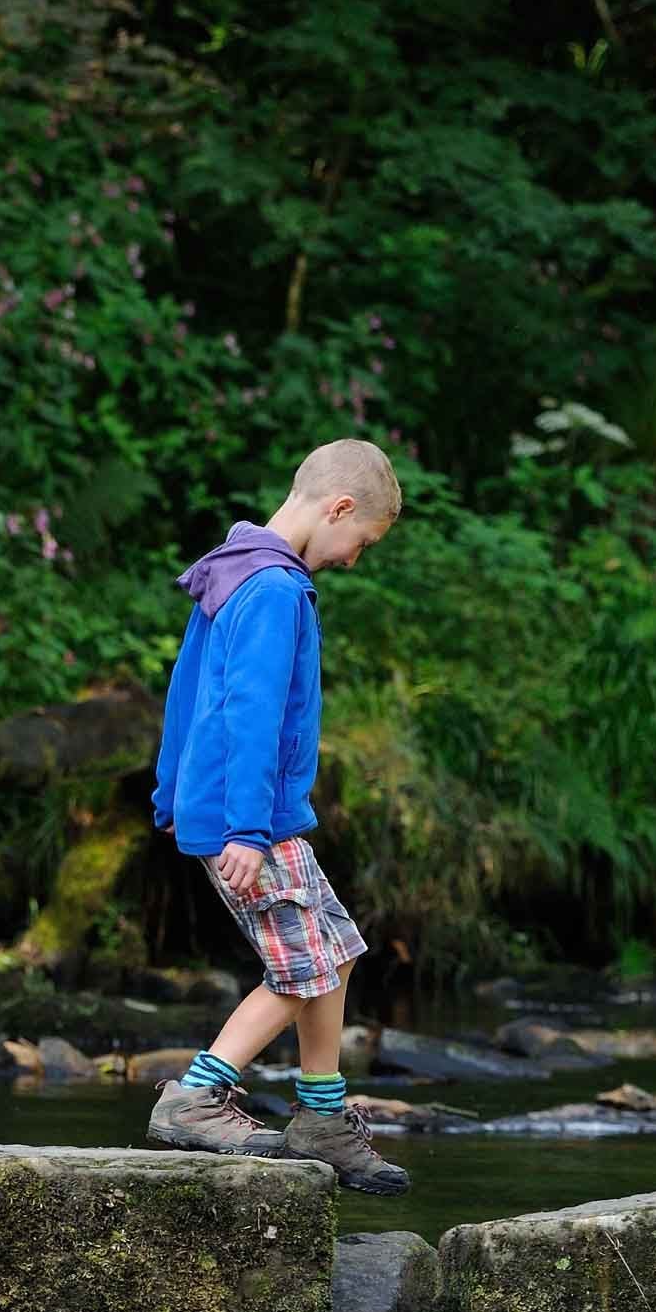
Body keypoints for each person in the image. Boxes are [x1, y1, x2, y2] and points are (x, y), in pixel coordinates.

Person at [142, 438, 409, 1195]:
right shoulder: (274, 590)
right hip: (249, 817)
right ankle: (196, 1096)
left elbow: (185, 691)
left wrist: (170, 791)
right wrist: (247, 832)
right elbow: (250, 716)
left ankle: (320, 1115)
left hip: (244, 810)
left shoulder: (232, 571)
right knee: (306, 966)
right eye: (361, 543)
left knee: (339, 948)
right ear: (340, 508)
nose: (355, 558)